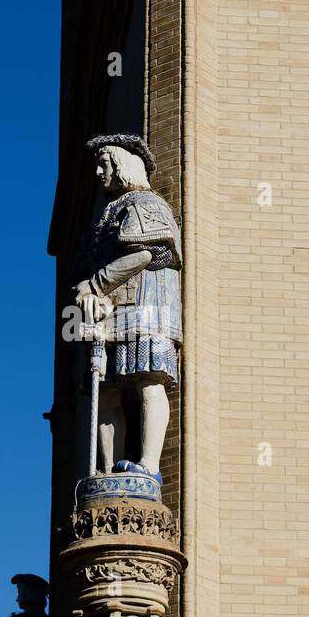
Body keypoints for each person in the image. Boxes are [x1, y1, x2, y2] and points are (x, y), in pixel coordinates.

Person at [72, 133, 182, 484]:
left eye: (104, 165)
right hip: (105, 312)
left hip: (146, 303)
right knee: (105, 387)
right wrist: (85, 289)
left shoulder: (145, 204)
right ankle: (108, 467)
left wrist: (97, 284)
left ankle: (149, 465)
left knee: (149, 379)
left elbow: (148, 252)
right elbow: (82, 270)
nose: (99, 173)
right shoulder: (106, 214)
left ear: (122, 166)